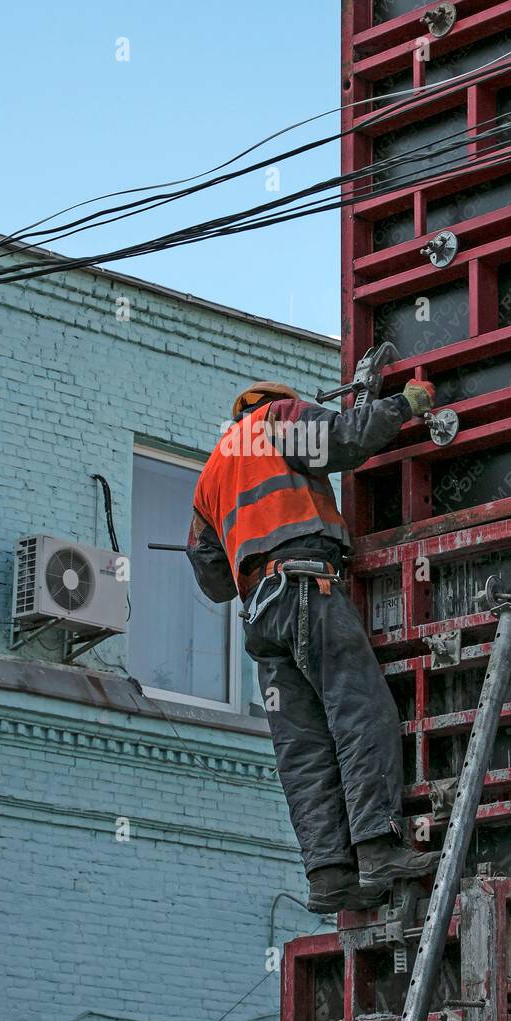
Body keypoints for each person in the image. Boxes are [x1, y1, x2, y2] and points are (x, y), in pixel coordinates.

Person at [186, 378, 440, 913]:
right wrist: (405, 405)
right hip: (307, 588)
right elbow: (342, 441)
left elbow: (211, 579)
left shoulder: (211, 473)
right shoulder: (279, 419)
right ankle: (377, 846)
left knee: (302, 749)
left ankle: (328, 875)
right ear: (270, 400)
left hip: (261, 615)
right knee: (359, 709)